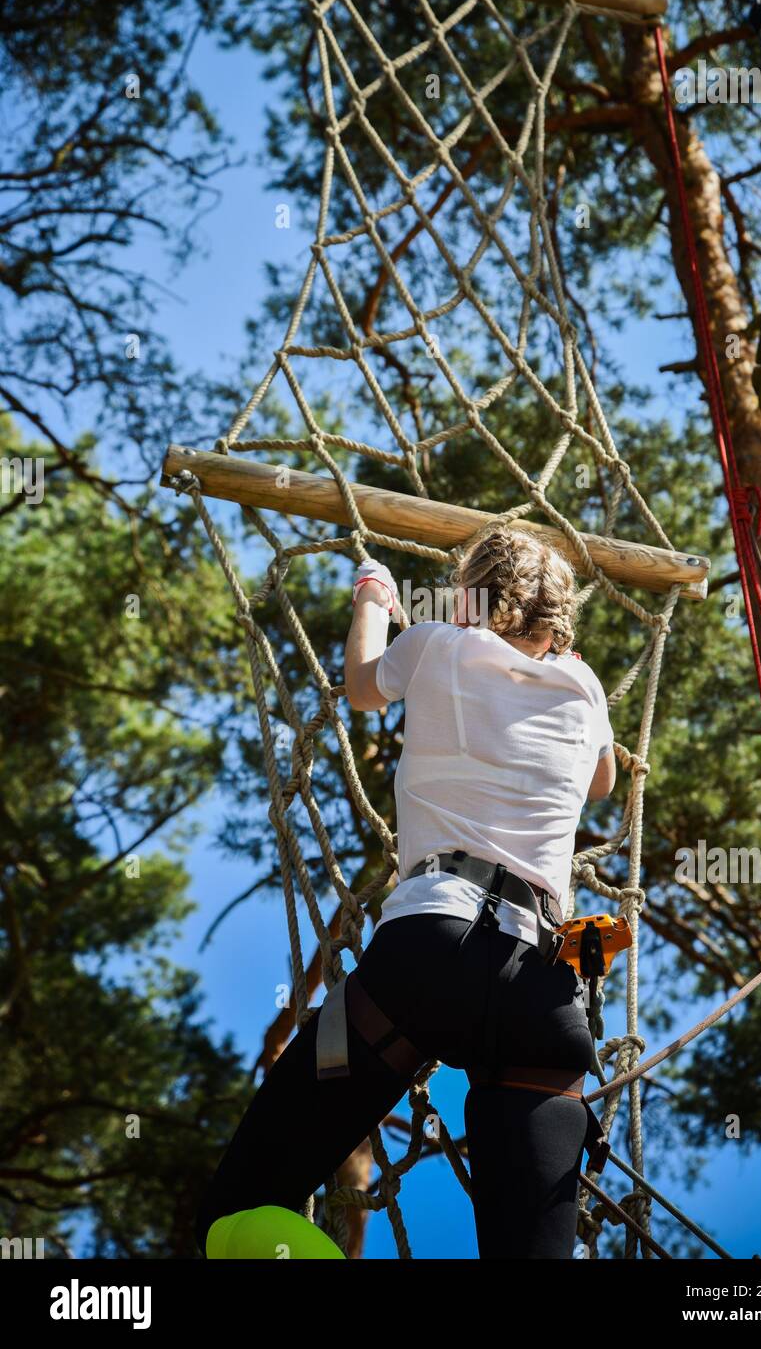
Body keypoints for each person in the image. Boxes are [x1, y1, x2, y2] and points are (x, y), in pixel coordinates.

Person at [195, 525, 617, 1260]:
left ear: (467, 596)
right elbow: (604, 779)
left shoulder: (435, 645)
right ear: (559, 617)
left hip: (427, 951)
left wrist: (373, 596)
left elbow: (362, 688)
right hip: (543, 993)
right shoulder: (583, 688)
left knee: (241, 1207)